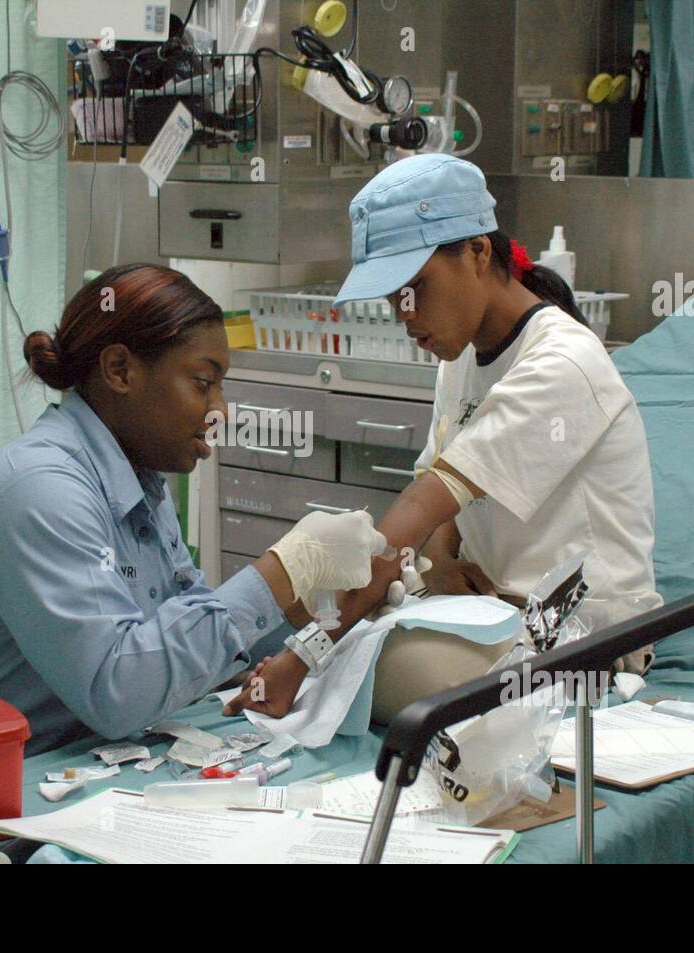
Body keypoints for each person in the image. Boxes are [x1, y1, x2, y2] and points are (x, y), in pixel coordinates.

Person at [0, 263, 386, 821]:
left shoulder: (137, 478)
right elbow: (118, 689)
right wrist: (284, 569)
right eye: (203, 381)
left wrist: (321, 611)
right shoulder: (39, 490)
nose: (220, 410)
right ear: (121, 369)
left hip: (48, 766)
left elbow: (187, 624)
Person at [226, 154, 661, 719]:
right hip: (486, 614)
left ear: (478, 252)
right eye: (390, 299)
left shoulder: (562, 362)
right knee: (316, 620)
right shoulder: (460, 360)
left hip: (583, 640)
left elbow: (417, 507)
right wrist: (441, 559)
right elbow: (434, 522)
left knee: (379, 664)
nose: (404, 315)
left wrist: (304, 657)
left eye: (416, 288)